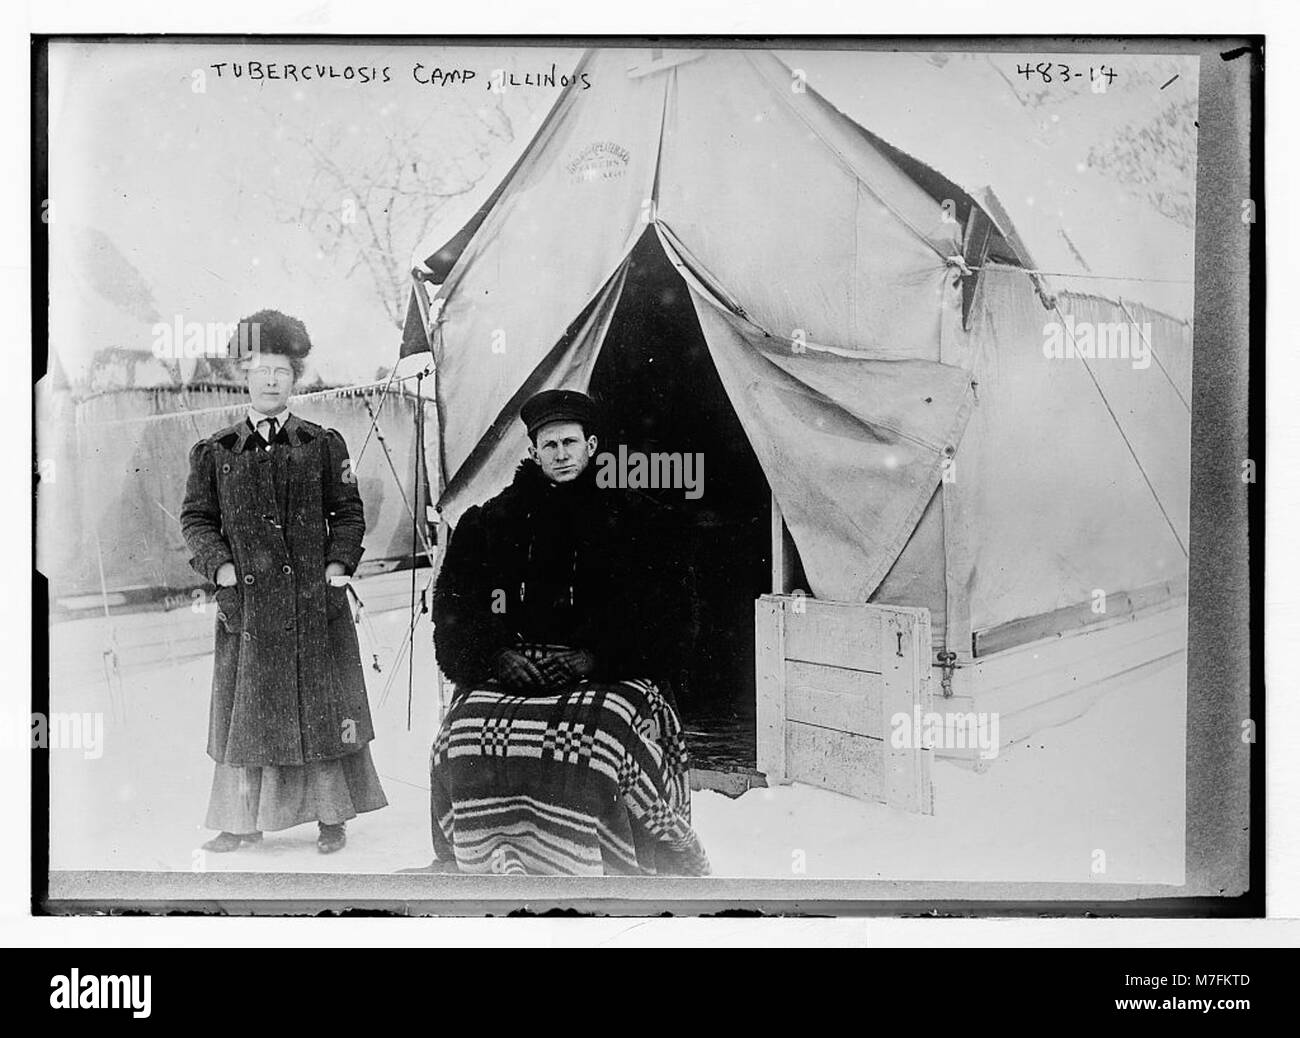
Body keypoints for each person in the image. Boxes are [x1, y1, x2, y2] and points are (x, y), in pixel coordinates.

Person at [429, 388, 708, 876]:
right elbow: (455, 610)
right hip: (514, 666)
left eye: (569, 444)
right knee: (463, 733)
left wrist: (598, 658)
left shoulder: (638, 520)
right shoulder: (490, 522)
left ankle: (616, 856)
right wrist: (494, 658)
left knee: (598, 740)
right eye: (549, 445)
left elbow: (670, 617)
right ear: (534, 451)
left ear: (591, 446)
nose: (560, 455)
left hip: (612, 669)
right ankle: (481, 850)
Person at [180, 310, 386, 855]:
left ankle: (332, 815)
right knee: (246, 717)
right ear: (243, 374)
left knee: (322, 708)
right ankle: (239, 821)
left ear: (295, 377)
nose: (271, 380)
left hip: (314, 604)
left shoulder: (324, 445)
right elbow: (196, 520)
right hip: (248, 608)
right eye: (260, 369)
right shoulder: (216, 452)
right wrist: (221, 568)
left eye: (281, 370)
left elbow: (348, 512)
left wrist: (338, 566)